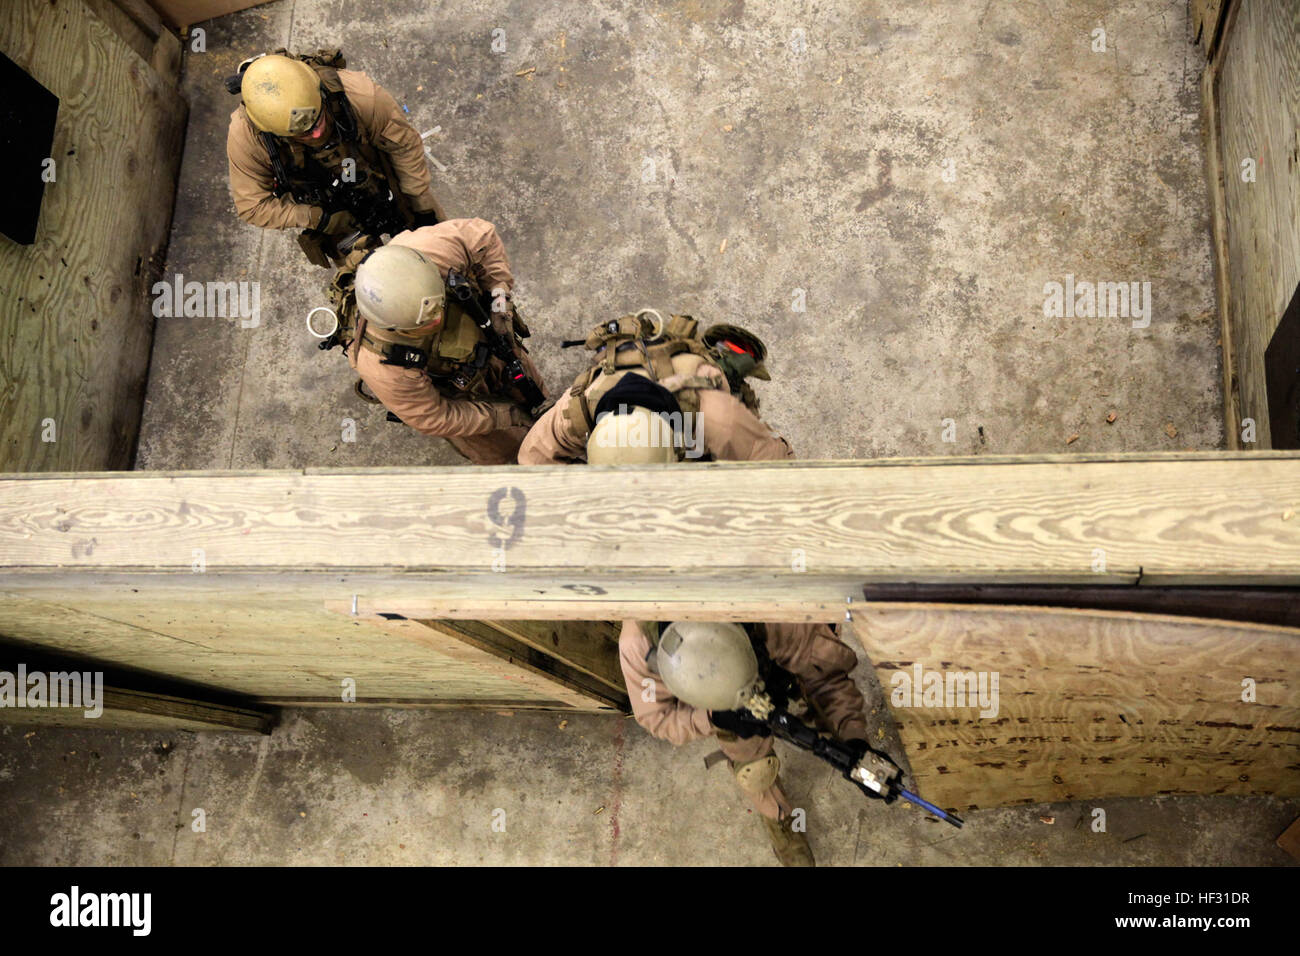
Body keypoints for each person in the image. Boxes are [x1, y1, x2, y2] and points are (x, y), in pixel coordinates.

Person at [620, 620, 873, 866]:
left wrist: (854, 737)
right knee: (754, 766)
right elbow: (659, 718)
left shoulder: (775, 613)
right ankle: (778, 815)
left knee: (820, 686)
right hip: (711, 701)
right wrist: (713, 717)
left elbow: (827, 678)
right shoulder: (638, 644)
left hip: (768, 653)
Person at [325, 219, 545, 464]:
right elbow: (436, 417)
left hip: (496, 345)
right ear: (392, 326)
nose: (438, 318)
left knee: (541, 403)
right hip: (461, 396)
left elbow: (483, 237)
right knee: (508, 455)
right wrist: (506, 414)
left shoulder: (425, 250)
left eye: (439, 305)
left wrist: (498, 302)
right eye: (425, 322)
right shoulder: (383, 365)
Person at [227, 50, 447, 265]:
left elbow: (405, 147)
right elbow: (252, 206)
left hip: (376, 175)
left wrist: (419, 203)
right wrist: (316, 218)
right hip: (328, 210)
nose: (316, 134)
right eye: (302, 133)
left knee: (441, 247)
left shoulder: (360, 96)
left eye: (317, 120)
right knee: (367, 283)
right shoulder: (246, 138)